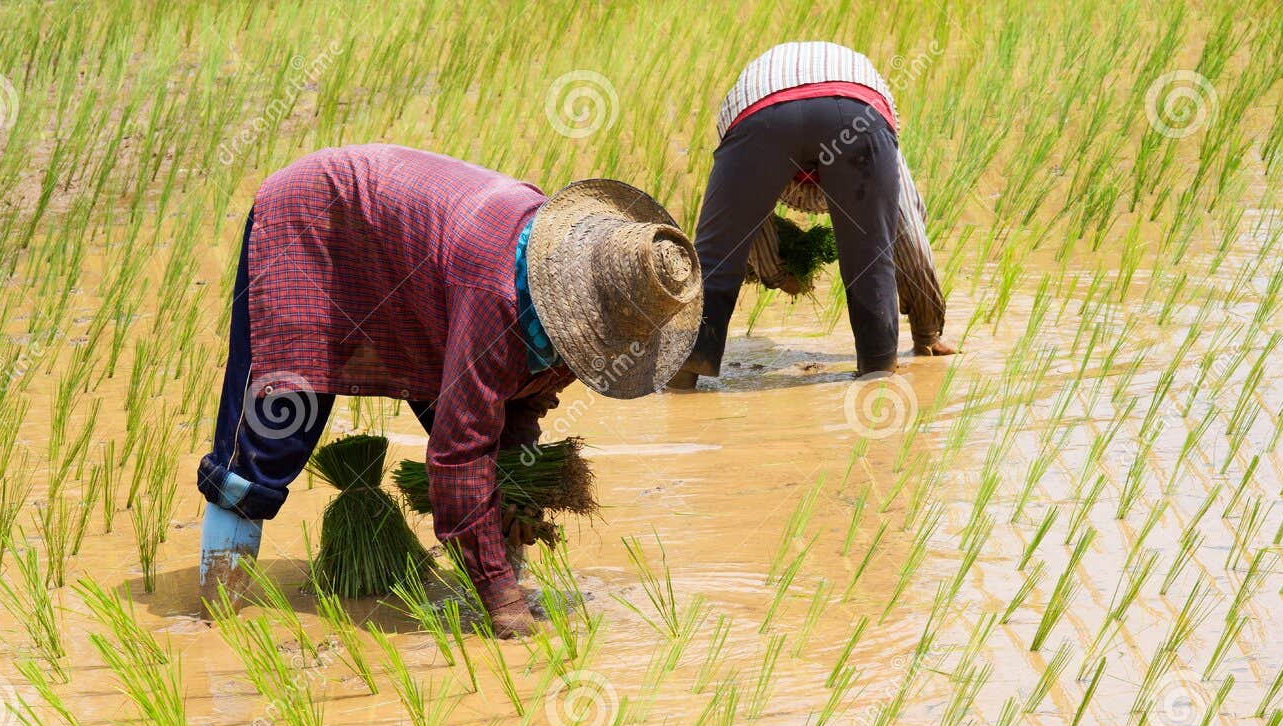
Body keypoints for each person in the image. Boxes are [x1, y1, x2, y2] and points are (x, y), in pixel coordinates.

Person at [196, 144, 701, 636]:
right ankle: (216, 611)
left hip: (418, 270)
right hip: (320, 216)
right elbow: (457, 456)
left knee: (494, 453)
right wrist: (503, 603)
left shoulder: (579, 290)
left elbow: (522, 395)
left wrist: (517, 474)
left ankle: (496, 571)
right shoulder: (499, 299)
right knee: (278, 417)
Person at [670, 41, 954, 391]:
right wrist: (927, 331)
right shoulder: (885, 146)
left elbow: (743, 230)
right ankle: (878, 374)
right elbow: (909, 238)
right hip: (857, 114)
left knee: (714, 262)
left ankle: (683, 378)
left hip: (761, 117)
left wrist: (777, 273)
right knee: (871, 258)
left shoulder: (750, 119)